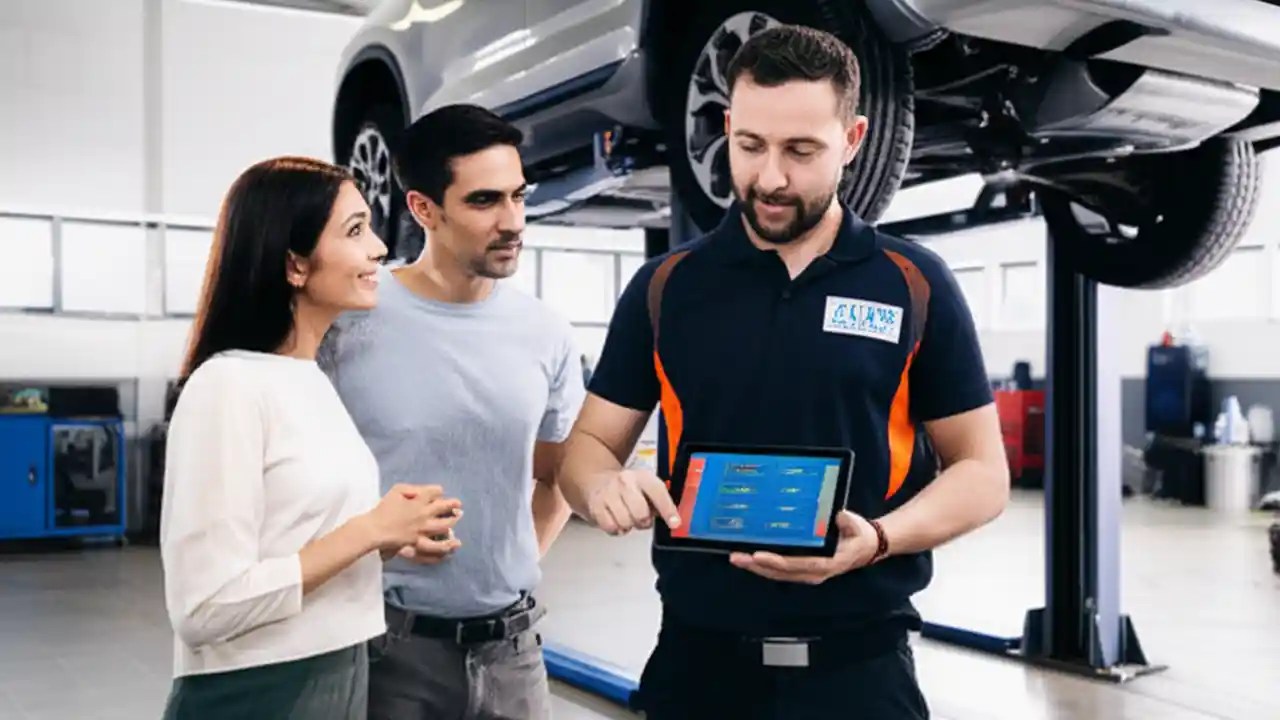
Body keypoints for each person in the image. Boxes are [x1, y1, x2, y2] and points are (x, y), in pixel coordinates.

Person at [556, 25, 1011, 720]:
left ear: (854, 139)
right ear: (729, 127)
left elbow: (982, 474)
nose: (770, 177)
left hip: (860, 674)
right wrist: (599, 487)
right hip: (697, 672)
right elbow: (585, 451)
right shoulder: (667, 288)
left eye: (802, 151)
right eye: (750, 146)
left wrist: (879, 541)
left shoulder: (913, 284)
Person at [159, 156, 463, 720]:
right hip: (258, 693)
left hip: (340, 672)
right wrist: (367, 529)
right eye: (355, 231)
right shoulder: (227, 386)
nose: (378, 248)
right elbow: (204, 606)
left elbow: (292, 539)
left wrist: (387, 538)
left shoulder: (310, 377)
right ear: (295, 265)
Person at [317, 104, 585, 720]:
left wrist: (505, 572)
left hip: (514, 654)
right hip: (387, 650)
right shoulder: (350, 321)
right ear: (423, 209)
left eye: (519, 196)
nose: (513, 221)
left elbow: (556, 477)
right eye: (485, 201)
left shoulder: (545, 332)